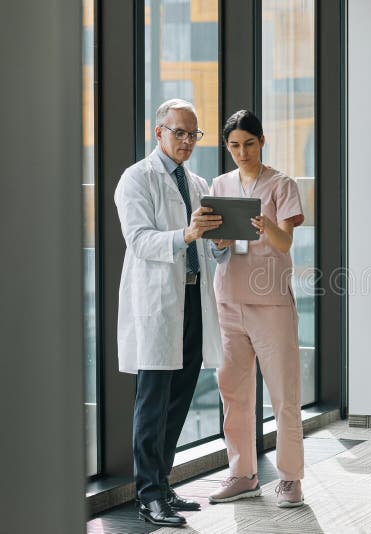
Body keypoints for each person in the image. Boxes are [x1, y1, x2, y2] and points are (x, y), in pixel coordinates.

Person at [115, 98, 224, 527]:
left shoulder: (196, 182)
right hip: (158, 304)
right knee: (153, 401)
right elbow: (139, 240)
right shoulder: (136, 179)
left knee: (180, 398)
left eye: (193, 134)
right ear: (158, 132)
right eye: (179, 132)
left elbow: (204, 244)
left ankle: (163, 484)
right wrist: (187, 234)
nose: (187, 141)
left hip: (193, 300)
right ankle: (148, 496)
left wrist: (218, 243)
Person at [206, 110, 306, 507]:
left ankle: (290, 479)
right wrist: (219, 243)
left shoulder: (281, 185)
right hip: (228, 301)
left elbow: (285, 243)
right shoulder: (220, 185)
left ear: (262, 141)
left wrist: (266, 224)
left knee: (284, 395)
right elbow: (217, 247)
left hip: (271, 303)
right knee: (233, 395)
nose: (242, 152)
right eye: (234, 145)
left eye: (249, 143)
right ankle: (242, 474)